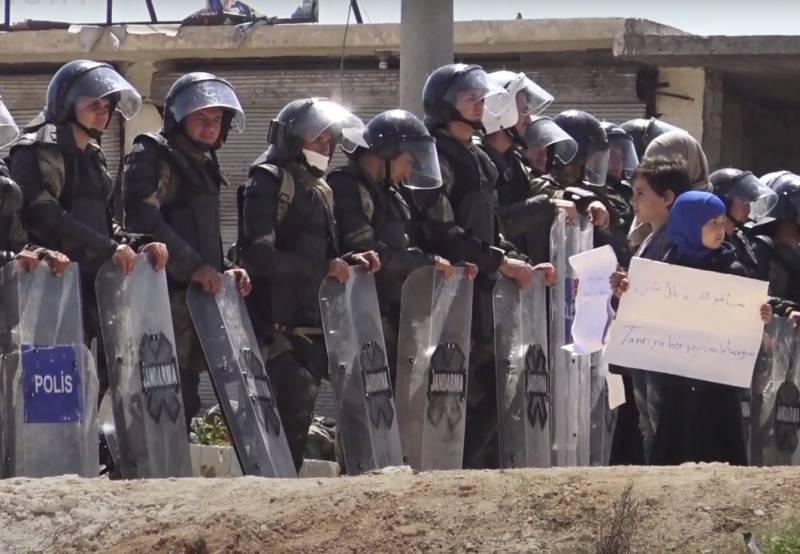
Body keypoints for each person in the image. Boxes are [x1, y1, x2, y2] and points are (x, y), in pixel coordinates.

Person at [233, 97, 379, 471]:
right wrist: (324, 268)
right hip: (274, 328)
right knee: (285, 419)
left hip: (314, 325)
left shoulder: (321, 189)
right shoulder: (266, 180)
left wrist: (348, 262)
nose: (325, 148)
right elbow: (258, 256)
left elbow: (323, 255)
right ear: (293, 140)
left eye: (329, 142)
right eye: (317, 140)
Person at [422, 62, 555, 468]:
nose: (479, 104)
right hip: (445, 297)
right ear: (444, 103)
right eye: (467, 97)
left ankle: (467, 473)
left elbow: (491, 223)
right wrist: (500, 262)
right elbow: (442, 228)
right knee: (444, 393)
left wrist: (522, 262)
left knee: (499, 388)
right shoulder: (433, 154)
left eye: (481, 96)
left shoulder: (478, 156)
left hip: (483, 298)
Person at [10, 60, 167, 400]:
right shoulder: (34, 147)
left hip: (93, 287)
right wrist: (109, 247)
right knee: (50, 388)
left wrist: (136, 245)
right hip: (47, 286)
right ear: (68, 103)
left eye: (108, 107)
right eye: (94, 104)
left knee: (98, 379)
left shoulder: (93, 155)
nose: (103, 113)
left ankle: (80, 451)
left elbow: (103, 220)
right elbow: (43, 212)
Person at [122, 72, 249, 426]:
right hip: (159, 298)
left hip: (193, 304)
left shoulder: (204, 162)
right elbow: (144, 221)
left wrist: (223, 268)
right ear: (179, 118)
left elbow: (200, 233)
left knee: (186, 394)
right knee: (159, 395)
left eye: (217, 120)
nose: (210, 127)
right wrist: (193, 266)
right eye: (200, 118)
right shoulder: (153, 153)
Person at [616, 191, 772, 465]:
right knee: (673, 458)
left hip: (719, 389)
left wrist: (761, 314)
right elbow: (647, 309)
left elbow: (746, 318)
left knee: (723, 460)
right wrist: (628, 292)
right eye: (711, 222)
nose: (720, 229)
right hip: (676, 387)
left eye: (722, 221)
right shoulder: (666, 269)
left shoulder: (733, 268)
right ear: (688, 224)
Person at [327, 109, 466, 379]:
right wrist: (426, 263)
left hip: (395, 318)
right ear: (387, 153)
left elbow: (407, 244)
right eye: (408, 161)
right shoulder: (347, 186)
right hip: (364, 321)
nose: (409, 171)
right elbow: (367, 254)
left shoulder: (391, 192)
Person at [611, 156, 692, 463]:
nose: (633, 201)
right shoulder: (649, 240)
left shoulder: (676, 241)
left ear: (668, 197)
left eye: (641, 193)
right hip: (644, 350)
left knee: (659, 425)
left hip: (663, 351)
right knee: (647, 423)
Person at [480, 71, 575, 263]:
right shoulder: (477, 162)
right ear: (500, 111)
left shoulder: (515, 163)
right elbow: (491, 223)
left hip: (522, 280)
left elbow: (545, 189)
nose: (529, 120)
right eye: (523, 111)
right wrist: (547, 205)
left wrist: (585, 201)